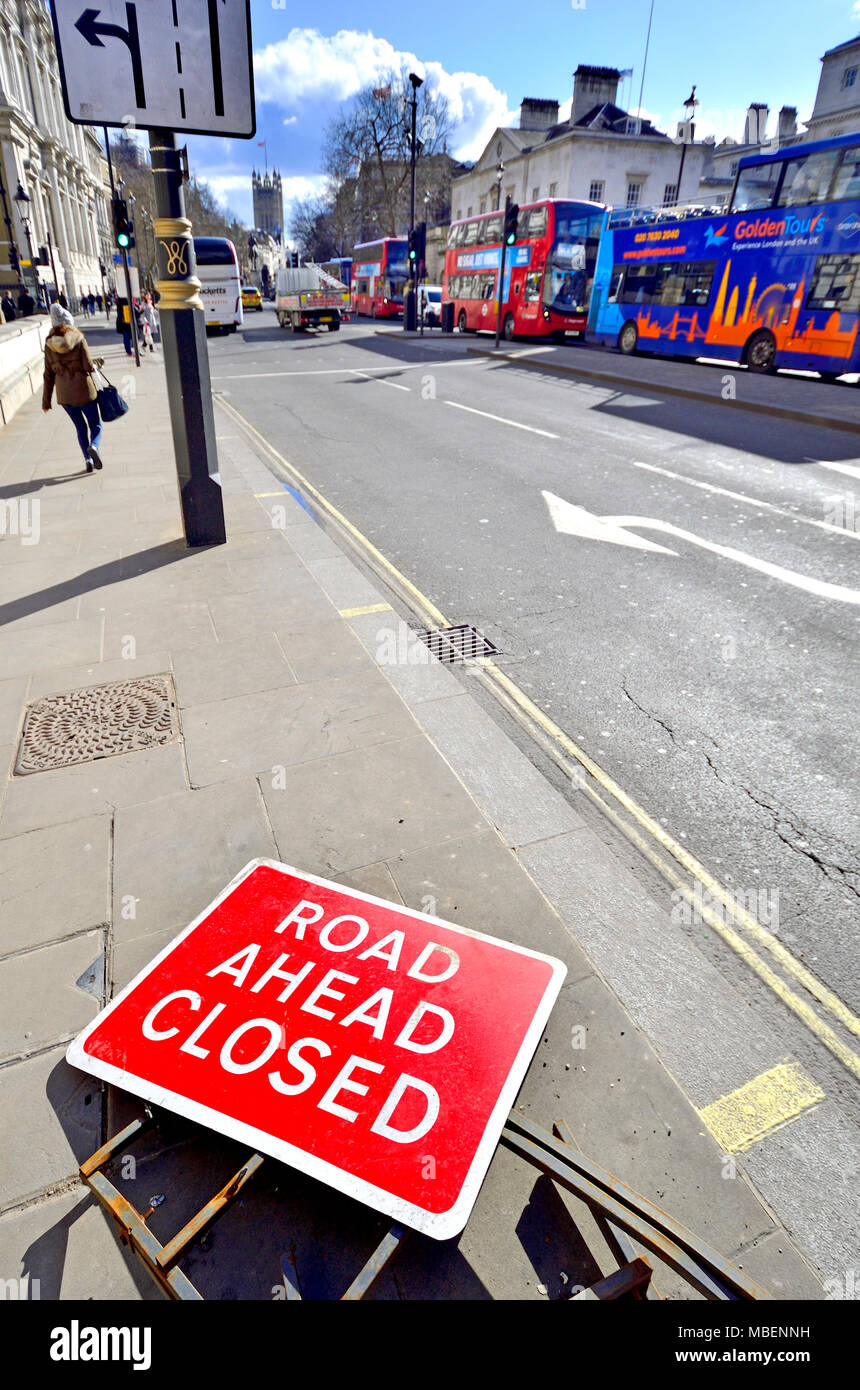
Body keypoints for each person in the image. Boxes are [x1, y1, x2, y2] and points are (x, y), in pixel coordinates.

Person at [42, 303, 106, 473]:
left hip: (65, 396)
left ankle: (88, 460)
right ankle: (94, 446)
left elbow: (48, 375)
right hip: (84, 391)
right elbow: (87, 366)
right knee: (95, 425)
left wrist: (46, 401)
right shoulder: (78, 339)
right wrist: (98, 363)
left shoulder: (49, 345)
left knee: (80, 427)